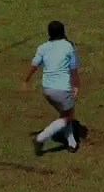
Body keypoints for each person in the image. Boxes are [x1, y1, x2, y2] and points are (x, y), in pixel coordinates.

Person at [22, 20, 81, 155]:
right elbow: (73, 69)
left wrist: (25, 80)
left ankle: (71, 143)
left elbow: (34, 65)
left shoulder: (42, 47)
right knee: (68, 116)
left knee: (65, 113)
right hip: (63, 89)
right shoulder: (68, 46)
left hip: (47, 90)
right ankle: (41, 138)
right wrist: (76, 86)